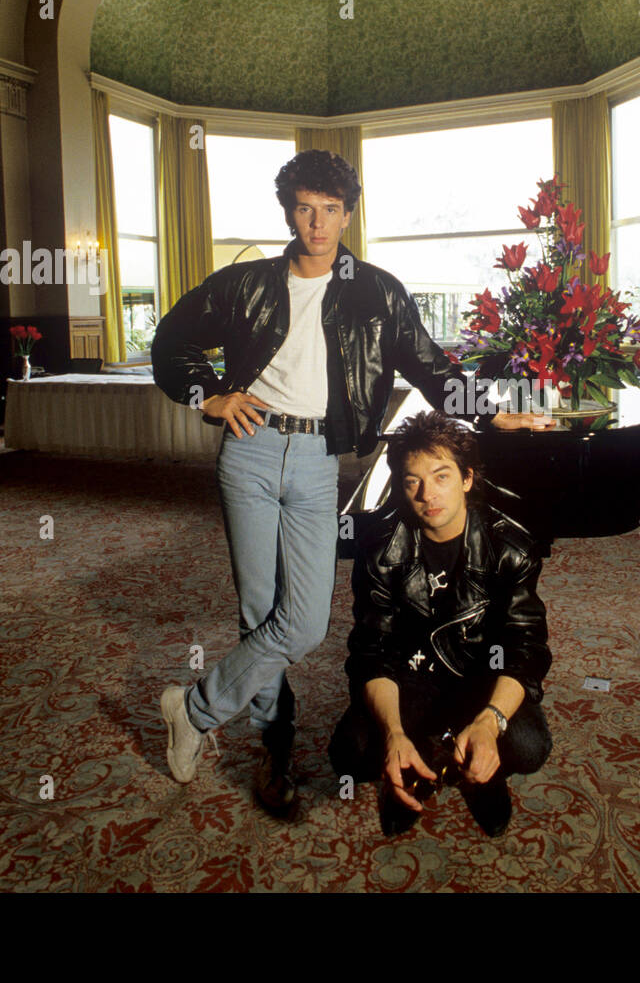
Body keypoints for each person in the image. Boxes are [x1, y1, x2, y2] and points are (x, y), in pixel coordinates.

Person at [151, 149, 549, 817]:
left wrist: (496, 411)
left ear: (346, 213)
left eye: (330, 210)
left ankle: (192, 708)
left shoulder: (377, 291)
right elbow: (171, 339)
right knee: (259, 615)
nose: (317, 223)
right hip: (248, 449)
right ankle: (275, 749)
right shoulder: (245, 283)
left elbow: (430, 366)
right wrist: (208, 394)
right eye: (305, 208)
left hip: (315, 458)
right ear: (289, 210)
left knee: (300, 622)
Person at [329, 409, 553, 838]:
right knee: (352, 752)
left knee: (528, 747)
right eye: (413, 480)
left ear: (467, 478)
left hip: (480, 673)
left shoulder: (512, 547)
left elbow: (526, 650)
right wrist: (394, 734)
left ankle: (484, 775)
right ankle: (414, 771)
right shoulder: (378, 549)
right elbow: (371, 653)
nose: (427, 493)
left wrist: (489, 722)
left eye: (442, 476)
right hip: (410, 677)